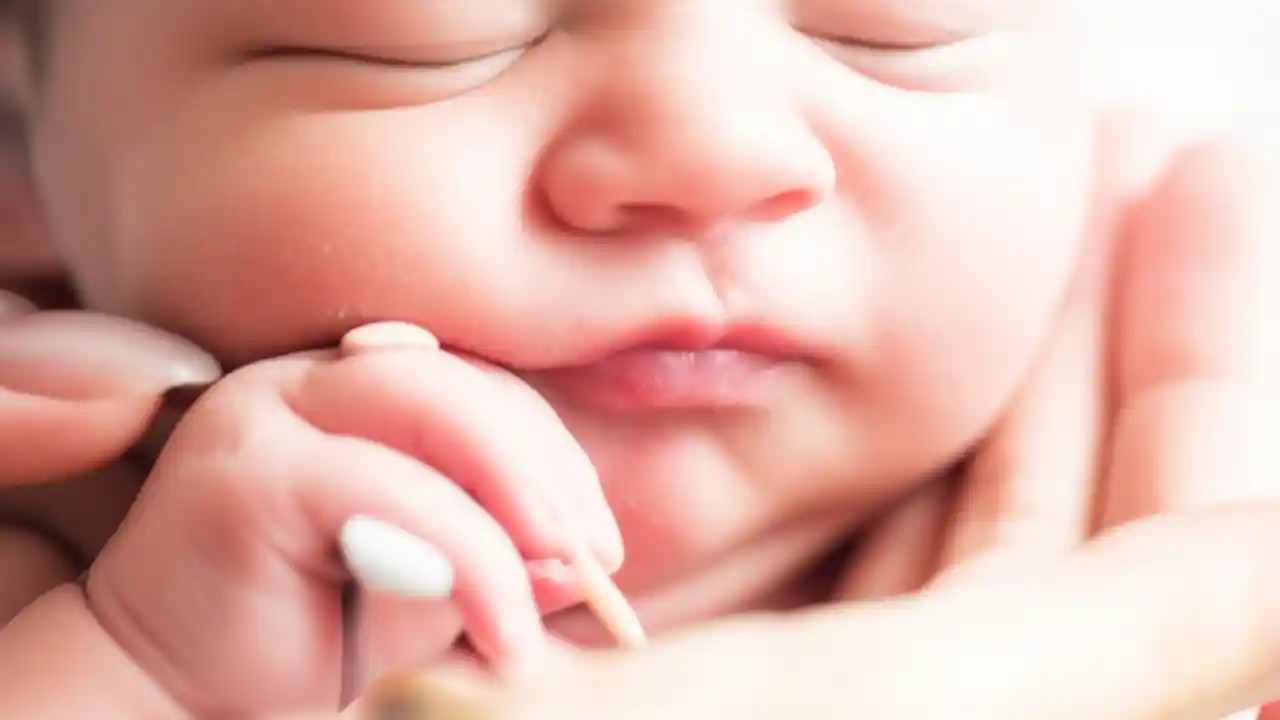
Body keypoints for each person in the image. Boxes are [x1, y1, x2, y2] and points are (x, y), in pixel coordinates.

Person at [0, 0, 1274, 717]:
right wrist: (140, 671)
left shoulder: (1208, 565)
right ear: (22, 158)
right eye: (434, 34)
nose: (714, 152)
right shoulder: (46, 583)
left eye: (897, 21)